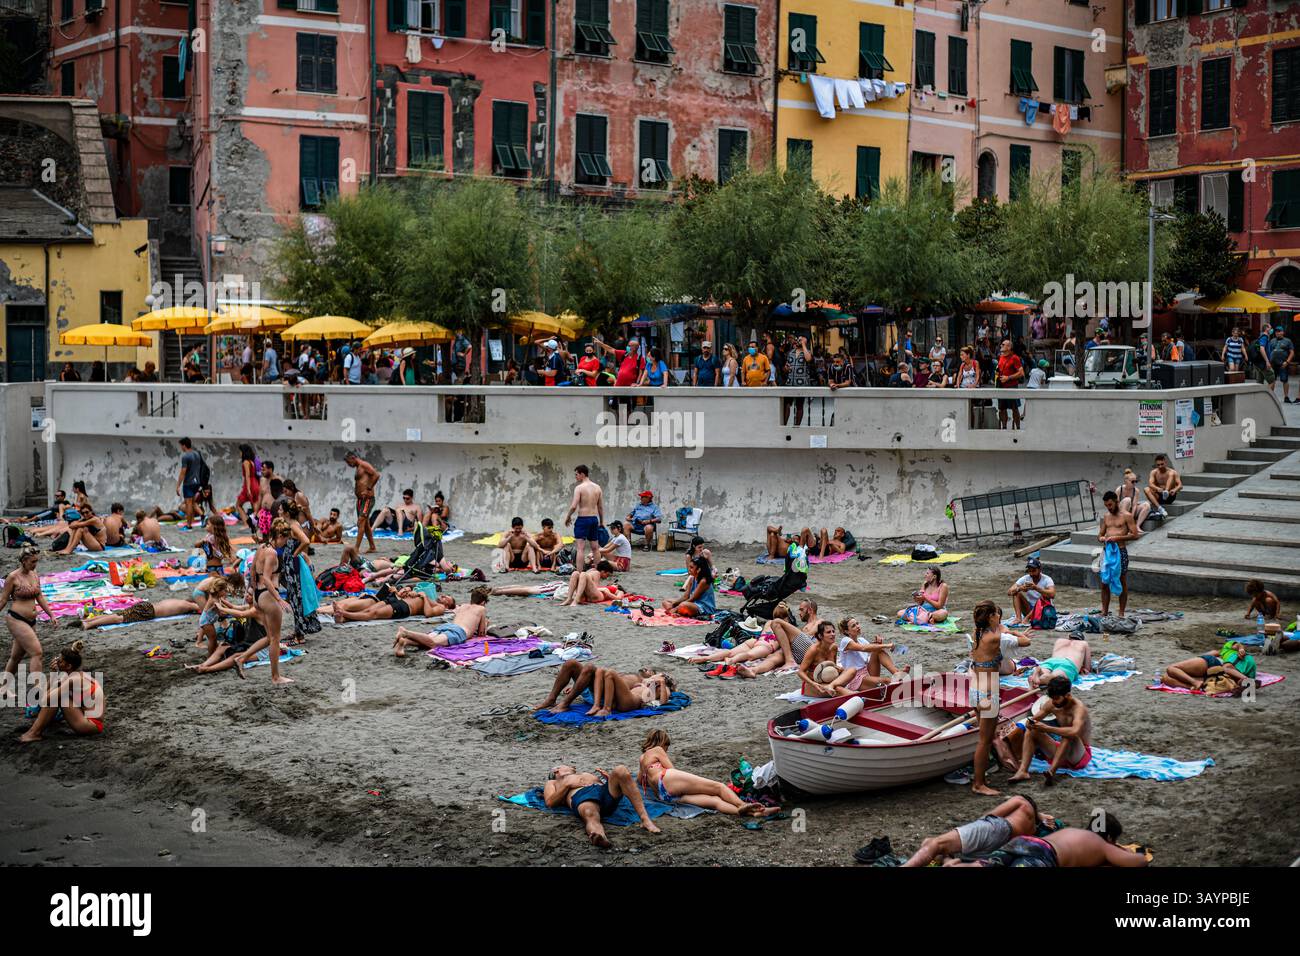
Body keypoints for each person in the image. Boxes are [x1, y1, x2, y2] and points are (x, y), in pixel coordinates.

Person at [638, 730, 778, 817]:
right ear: (661, 743)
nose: (666, 750)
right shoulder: (657, 750)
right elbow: (672, 770)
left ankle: (755, 813)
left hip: (664, 796)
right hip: (667, 780)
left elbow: (639, 781)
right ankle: (742, 805)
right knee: (718, 787)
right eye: (666, 747)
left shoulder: (642, 759)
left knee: (714, 802)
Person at [903, 795, 1049, 867]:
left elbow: (989, 816)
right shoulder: (1033, 829)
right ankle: (950, 860)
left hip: (998, 827)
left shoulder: (1022, 801)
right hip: (1001, 847)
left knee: (934, 843)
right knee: (954, 858)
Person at [543, 765, 661, 847]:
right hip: (583, 796)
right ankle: (598, 835)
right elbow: (549, 802)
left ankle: (645, 820)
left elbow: (608, 786)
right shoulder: (553, 783)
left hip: (603, 791)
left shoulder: (584, 774)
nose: (573, 767)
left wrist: (610, 781)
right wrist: (567, 785)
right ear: (556, 771)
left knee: (621, 770)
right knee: (589, 812)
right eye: (567, 765)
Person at [964, 816, 1148, 868]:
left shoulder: (1073, 832)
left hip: (1024, 841)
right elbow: (1138, 862)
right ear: (1109, 838)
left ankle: (952, 863)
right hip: (1044, 853)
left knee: (985, 864)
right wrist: (1135, 853)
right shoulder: (1102, 846)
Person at [1007, 675, 1092, 783]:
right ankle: (1023, 771)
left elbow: (1074, 731)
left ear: (1067, 695)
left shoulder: (1078, 708)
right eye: (1052, 698)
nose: (1054, 701)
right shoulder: (1052, 703)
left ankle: (1052, 771)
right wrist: (1031, 724)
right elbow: (1032, 720)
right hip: (1060, 752)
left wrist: (1047, 728)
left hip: (1079, 755)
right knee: (1032, 731)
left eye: (1057, 698)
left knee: (1068, 734)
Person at [19, 640, 104, 743]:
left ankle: (34, 733)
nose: (57, 662)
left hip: (91, 725)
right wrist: (53, 673)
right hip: (88, 719)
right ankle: (38, 728)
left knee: (56, 698)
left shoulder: (74, 679)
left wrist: (54, 680)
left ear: (68, 666)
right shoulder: (74, 675)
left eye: (60, 661)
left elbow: (45, 699)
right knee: (56, 695)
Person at [1, 546, 53, 688]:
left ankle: (3, 687)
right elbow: (3, 599)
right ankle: (38, 690)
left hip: (31, 620)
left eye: (36, 561)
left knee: (16, 657)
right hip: (16, 618)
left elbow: (39, 596)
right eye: (32, 562)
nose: (35, 565)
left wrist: (51, 614)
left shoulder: (34, 574)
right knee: (37, 652)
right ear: (24, 561)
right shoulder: (13, 577)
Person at [969, 600, 1006, 796]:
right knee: (984, 741)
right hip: (988, 693)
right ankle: (979, 783)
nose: (999, 616)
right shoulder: (994, 637)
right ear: (991, 617)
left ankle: (981, 773)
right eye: (996, 614)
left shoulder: (977, 634)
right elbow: (1024, 641)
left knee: (984, 738)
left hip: (974, 690)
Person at [391, 586, 490, 655]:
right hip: (459, 631)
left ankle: (405, 642)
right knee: (434, 643)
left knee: (427, 641)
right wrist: (485, 623)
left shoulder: (463, 606)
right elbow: (481, 634)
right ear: (483, 602)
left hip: (448, 626)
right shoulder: (481, 609)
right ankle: (406, 633)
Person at [822, 617, 907, 693]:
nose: (858, 626)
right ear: (847, 631)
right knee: (887, 680)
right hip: (854, 677)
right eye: (853, 626)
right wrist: (887, 645)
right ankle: (896, 680)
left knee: (878, 650)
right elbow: (863, 648)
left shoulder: (861, 640)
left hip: (867, 672)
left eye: (857, 623)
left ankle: (897, 673)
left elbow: (871, 648)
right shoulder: (845, 641)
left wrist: (878, 644)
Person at [1098, 490, 1138, 617]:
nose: (1108, 508)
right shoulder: (1106, 517)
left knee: (1121, 580)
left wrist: (1117, 538)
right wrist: (1102, 538)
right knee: (1104, 582)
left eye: (1110, 505)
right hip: (1107, 552)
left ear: (1116, 502)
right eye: (1106, 506)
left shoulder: (1126, 515)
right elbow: (1100, 534)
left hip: (1120, 552)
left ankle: (1121, 612)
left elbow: (1135, 534)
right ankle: (1104, 611)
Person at [1160, 641, 1257, 692]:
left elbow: (1237, 645)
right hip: (1215, 676)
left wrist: (1241, 648)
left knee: (1171, 668)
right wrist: (1241, 648)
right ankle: (1193, 685)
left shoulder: (1225, 650)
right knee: (1165, 678)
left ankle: (1194, 683)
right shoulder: (1239, 658)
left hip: (1212, 664)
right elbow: (1238, 646)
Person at [323, 585, 450, 623]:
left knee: (373, 614)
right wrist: (406, 593)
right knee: (370, 609)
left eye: (447, 599)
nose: (443, 597)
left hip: (404, 608)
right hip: (398, 601)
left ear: (448, 605)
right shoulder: (429, 598)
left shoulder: (440, 607)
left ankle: (343, 613)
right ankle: (344, 618)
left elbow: (428, 614)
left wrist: (424, 598)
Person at [587, 667, 674, 716]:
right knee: (600, 670)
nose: (653, 676)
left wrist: (662, 683)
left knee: (610, 673)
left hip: (632, 702)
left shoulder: (663, 687)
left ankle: (607, 709)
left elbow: (663, 702)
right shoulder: (650, 684)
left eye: (656, 675)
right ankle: (597, 705)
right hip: (625, 699)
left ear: (662, 677)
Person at [564, 464, 604, 572]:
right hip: (594, 519)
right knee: (595, 547)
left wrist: (568, 517)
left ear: (582, 474)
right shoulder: (597, 488)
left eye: (576, 474)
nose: (576, 477)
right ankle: (598, 571)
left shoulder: (579, 488)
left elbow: (573, 506)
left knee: (580, 548)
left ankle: (580, 572)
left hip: (583, 519)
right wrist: (601, 521)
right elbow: (600, 507)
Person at [77, 597, 200, 630]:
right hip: (148, 611)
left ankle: (88, 621)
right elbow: (201, 608)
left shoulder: (178, 601)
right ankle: (88, 625)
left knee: (118, 615)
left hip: (147, 606)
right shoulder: (188, 605)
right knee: (118, 619)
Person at [345, 451, 380, 553]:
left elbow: (376, 475)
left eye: (348, 462)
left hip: (367, 499)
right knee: (365, 524)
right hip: (360, 500)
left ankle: (356, 548)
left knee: (361, 521)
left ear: (353, 458)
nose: (348, 465)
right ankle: (372, 547)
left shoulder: (364, 465)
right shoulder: (358, 467)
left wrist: (368, 489)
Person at [662, 551, 715, 618]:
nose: (689, 569)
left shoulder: (704, 581)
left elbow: (693, 598)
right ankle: (678, 612)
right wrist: (673, 604)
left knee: (683, 605)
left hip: (704, 608)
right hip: (693, 604)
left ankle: (678, 612)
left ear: (698, 570)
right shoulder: (692, 578)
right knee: (665, 601)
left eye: (691, 568)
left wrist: (676, 607)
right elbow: (685, 597)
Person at [1026, 636, 1092, 688]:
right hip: (1067, 664)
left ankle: (1039, 671)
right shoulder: (1084, 643)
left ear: (1069, 637)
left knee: (1047, 672)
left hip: (1051, 661)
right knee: (1055, 679)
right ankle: (1040, 679)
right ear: (1082, 639)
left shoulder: (1059, 640)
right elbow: (1087, 668)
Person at [1007, 557, 1055, 626]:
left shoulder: (1047, 579)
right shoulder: (1026, 578)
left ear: (1039, 570)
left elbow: (1052, 594)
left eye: (1034, 571)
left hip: (1043, 611)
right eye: (1030, 571)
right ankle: (1018, 618)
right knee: (1016, 593)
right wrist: (1020, 588)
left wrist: (1036, 588)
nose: (1031, 573)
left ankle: (1026, 619)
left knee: (1045, 597)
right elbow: (1009, 592)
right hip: (1029, 609)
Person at [995, 339, 1025, 430]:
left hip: (1011, 386)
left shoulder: (1015, 358)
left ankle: (1018, 428)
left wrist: (1008, 378)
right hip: (1001, 386)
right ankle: (1004, 428)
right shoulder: (1000, 357)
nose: (1001, 345)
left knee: (1014, 408)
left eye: (1003, 344)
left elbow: (1021, 373)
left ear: (1009, 347)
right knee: (1002, 408)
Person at [176, 437, 204, 530]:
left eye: (181, 446)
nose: (181, 448)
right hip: (197, 482)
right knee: (192, 503)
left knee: (188, 504)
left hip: (189, 483)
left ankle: (188, 525)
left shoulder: (186, 456)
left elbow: (183, 471)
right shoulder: (197, 454)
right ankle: (200, 516)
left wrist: (178, 485)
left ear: (184, 445)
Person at [1143, 453, 1182, 520]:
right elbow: (1150, 484)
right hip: (1159, 496)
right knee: (1146, 489)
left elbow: (1180, 485)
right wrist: (1157, 488)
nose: (1160, 466)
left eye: (1162, 464)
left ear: (1165, 462)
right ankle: (1160, 508)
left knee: (1171, 474)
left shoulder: (1173, 472)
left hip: (1170, 496)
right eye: (1158, 465)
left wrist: (1174, 490)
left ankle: (1166, 492)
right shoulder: (1154, 472)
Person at [1269, 324, 1295, 403]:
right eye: (1276, 332)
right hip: (1273, 363)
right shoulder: (1272, 340)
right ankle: (1271, 397)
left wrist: (1287, 362)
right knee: (1272, 380)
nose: (1278, 333)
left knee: (1285, 380)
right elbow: (1269, 351)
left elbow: (1292, 352)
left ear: (1283, 332)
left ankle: (1286, 397)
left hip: (1283, 364)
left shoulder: (1288, 341)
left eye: (1279, 331)